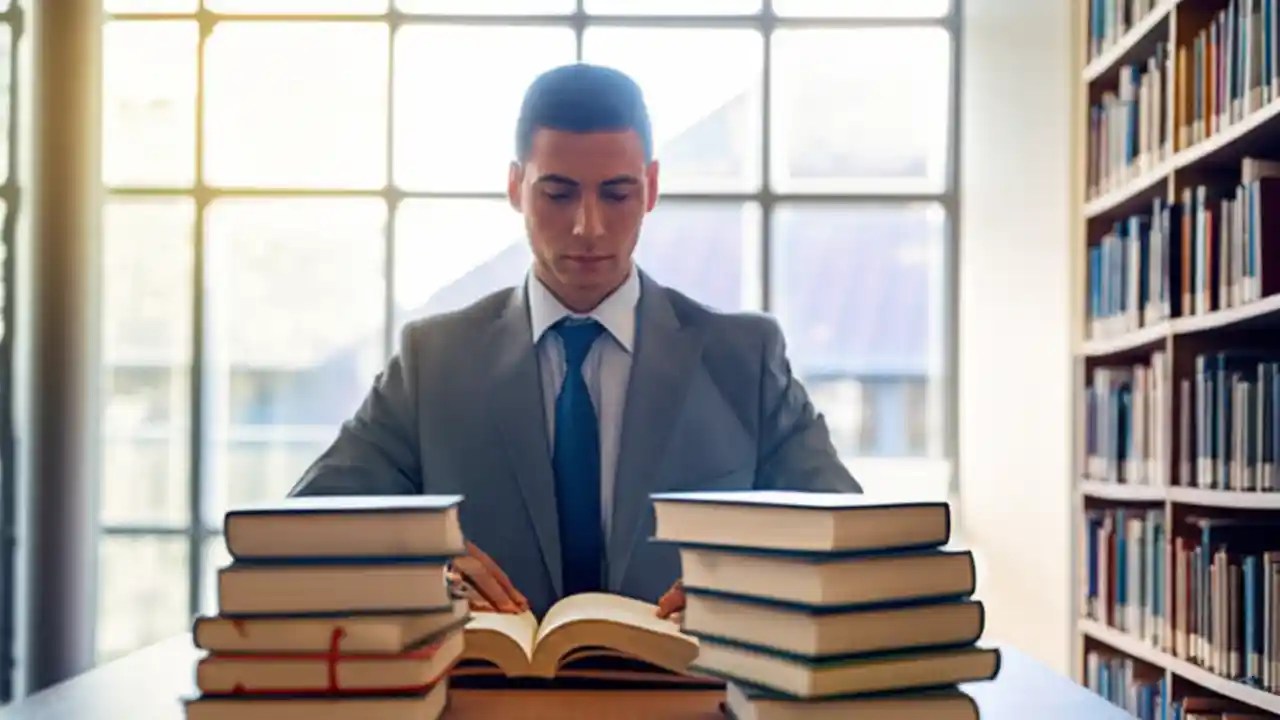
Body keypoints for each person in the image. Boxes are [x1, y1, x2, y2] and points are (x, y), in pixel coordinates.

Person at [289, 62, 860, 620]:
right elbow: (302, 526)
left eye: (616, 195)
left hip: (688, 702)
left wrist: (757, 576)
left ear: (652, 187)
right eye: (558, 195)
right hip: (489, 703)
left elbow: (852, 536)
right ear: (516, 187)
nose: (588, 226)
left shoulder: (745, 359)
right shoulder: (432, 363)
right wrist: (413, 560)